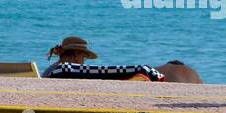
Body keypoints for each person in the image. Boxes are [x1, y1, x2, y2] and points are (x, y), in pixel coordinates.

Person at [40, 35, 203, 83]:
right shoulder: (64, 69)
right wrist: (143, 69)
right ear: (75, 54)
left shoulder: (49, 70)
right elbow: (102, 72)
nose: (84, 61)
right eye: (84, 57)